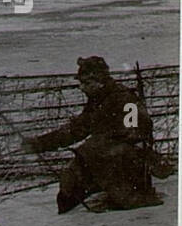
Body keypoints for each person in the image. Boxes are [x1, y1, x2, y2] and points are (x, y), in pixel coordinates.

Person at [21, 56, 163, 213]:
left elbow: (137, 134)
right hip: (103, 156)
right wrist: (40, 143)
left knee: (97, 158)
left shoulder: (125, 99)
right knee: (69, 179)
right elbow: (76, 129)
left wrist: (102, 142)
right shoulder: (97, 101)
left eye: (86, 83)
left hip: (126, 159)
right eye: (81, 83)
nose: (81, 88)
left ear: (100, 82)